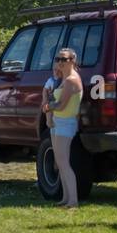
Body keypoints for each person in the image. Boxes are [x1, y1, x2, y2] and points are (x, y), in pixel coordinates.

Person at [43, 47, 83, 209]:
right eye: (58, 59)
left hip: (66, 123)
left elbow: (61, 105)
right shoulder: (62, 79)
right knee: (59, 162)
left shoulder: (72, 80)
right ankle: (66, 198)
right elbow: (53, 100)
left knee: (63, 162)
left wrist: (47, 107)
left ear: (72, 61)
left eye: (63, 59)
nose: (59, 62)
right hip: (58, 122)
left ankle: (73, 200)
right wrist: (49, 108)